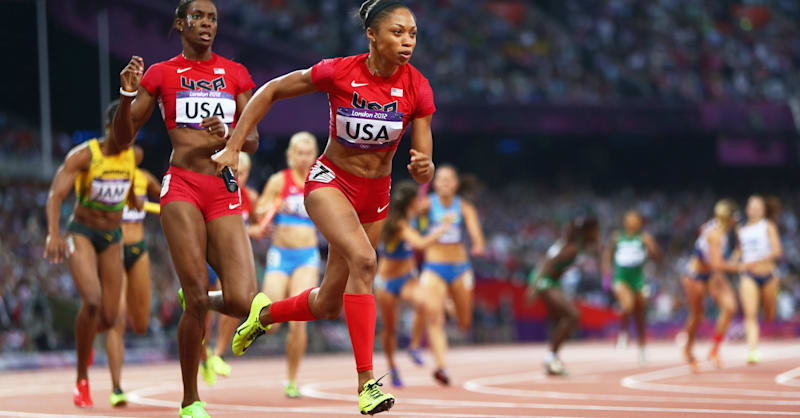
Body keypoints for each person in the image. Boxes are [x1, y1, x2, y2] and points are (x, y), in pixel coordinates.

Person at [213, 1, 437, 414]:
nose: (407, 41)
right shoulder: (339, 71)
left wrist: (424, 167)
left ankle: (264, 315)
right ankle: (367, 383)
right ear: (372, 35)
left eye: (412, 34)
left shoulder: (417, 87)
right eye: (397, 32)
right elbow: (272, 90)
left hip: (377, 194)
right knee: (365, 262)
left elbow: (423, 170)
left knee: (329, 303)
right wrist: (232, 146)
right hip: (330, 182)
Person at [112, 0, 260, 415]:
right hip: (182, 188)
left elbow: (253, 141)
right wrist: (126, 95)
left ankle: (197, 297)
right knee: (195, 300)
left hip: (222, 187)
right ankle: (190, 398)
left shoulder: (235, 73)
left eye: (212, 18)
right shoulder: (162, 73)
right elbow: (123, 138)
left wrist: (229, 132)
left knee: (243, 299)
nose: (207, 25)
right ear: (180, 24)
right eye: (198, 17)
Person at [44, 101, 139, 407]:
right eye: (124, 128)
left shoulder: (132, 156)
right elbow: (56, 194)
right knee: (93, 300)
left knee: (111, 317)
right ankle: (82, 378)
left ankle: (85, 338)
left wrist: (135, 198)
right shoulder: (85, 155)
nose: (130, 135)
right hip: (81, 232)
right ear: (111, 127)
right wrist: (54, 233)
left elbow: (126, 187)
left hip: (112, 237)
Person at [243, 131, 321, 398]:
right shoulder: (279, 181)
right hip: (280, 254)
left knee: (300, 321)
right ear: (290, 155)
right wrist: (270, 209)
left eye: (308, 152)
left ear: (315, 156)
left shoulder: (319, 182)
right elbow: (261, 211)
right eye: (298, 152)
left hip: (307, 256)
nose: (303, 157)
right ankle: (253, 327)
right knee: (271, 317)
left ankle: (291, 379)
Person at [375, 180, 451, 387]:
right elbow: (420, 243)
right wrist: (443, 228)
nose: (424, 201)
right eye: (419, 199)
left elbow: (429, 207)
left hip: (408, 278)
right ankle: (392, 367)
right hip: (387, 283)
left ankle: (414, 346)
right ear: (411, 202)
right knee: (390, 329)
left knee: (424, 303)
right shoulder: (399, 223)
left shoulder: (415, 215)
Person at [417, 165, 484, 385]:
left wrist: (477, 244)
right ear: (435, 184)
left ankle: (450, 305)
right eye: (441, 180)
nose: (445, 183)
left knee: (464, 322)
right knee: (433, 319)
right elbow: (408, 218)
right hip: (434, 266)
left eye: (449, 180)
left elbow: (475, 232)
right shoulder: (427, 204)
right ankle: (442, 367)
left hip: (459, 267)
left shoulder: (464, 206)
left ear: (455, 184)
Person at [203, 152, 261, 383]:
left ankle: (217, 353)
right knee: (204, 310)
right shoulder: (216, 191)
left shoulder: (250, 197)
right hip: (210, 254)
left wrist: (258, 229)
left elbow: (256, 223)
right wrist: (250, 231)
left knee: (235, 300)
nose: (240, 177)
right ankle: (205, 354)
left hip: (232, 259)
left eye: (244, 173)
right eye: (236, 172)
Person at [106, 165, 162, 406]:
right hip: (112, 249)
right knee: (117, 318)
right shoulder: (101, 175)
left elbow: (169, 198)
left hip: (138, 249)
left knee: (140, 323)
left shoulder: (144, 177)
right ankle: (116, 387)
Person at [526, 217, 600, 376]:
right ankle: (550, 357)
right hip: (545, 281)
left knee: (559, 320)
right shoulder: (571, 247)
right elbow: (546, 263)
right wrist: (534, 287)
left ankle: (553, 359)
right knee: (573, 315)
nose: (598, 234)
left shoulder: (571, 244)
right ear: (587, 232)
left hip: (550, 281)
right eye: (596, 231)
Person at [682, 199, 740, 372]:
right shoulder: (716, 234)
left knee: (729, 307)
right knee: (697, 316)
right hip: (696, 276)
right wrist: (740, 266)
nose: (735, 222)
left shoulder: (723, 230)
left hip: (712, 273)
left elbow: (718, 262)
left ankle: (714, 349)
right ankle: (688, 349)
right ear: (728, 219)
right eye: (734, 219)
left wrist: (737, 252)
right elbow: (716, 263)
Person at [602, 210, 661, 364]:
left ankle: (642, 348)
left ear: (639, 222)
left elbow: (657, 256)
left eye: (635, 220)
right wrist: (607, 271)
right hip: (621, 277)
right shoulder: (617, 237)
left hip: (638, 279)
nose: (632, 222)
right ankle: (623, 333)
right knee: (627, 305)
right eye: (629, 220)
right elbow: (607, 254)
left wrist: (652, 248)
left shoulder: (644, 237)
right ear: (625, 222)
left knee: (640, 315)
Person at [737, 195, 782, 364]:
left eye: (758, 206)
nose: (754, 209)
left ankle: (767, 316)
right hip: (749, 276)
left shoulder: (768, 226)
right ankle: (753, 351)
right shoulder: (741, 230)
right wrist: (734, 262)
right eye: (751, 205)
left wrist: (759, 260)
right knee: (750, 314)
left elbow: (777, 250)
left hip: (769, 275)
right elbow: (739, 251)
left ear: (763, 210)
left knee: (769, 314)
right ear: (747, 209)